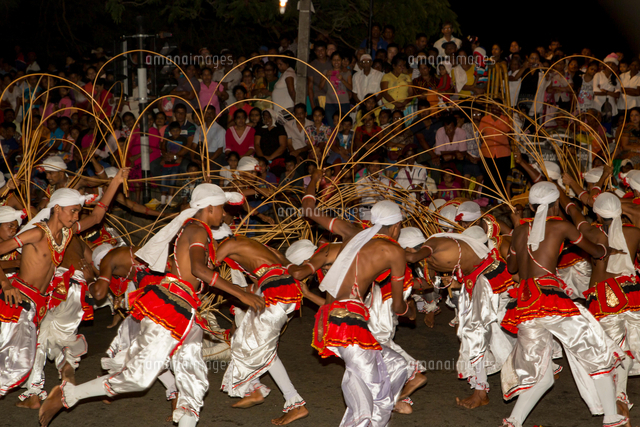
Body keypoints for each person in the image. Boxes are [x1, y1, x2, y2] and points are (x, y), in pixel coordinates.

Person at [39, 184, 265, 427]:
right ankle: (67, 395)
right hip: (172, 308)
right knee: (138, 379)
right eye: (221, 209)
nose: (224, 214)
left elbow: (197, 272)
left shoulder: (198, 230)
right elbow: (198, 270)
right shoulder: (197, 229)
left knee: (194, 383)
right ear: (210, 208)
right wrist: (239, 293)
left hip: (186, 310)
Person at [500, 181, 627, 427]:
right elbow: (597, 252)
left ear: (530, 205)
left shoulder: (518, 231)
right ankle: (612, 417)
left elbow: (512, 268)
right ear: (556, 203)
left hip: (525, 304)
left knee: (543, 375)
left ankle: (512, 422)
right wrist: (608, 248)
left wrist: (517, 234)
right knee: (596, 350)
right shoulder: (560, 226)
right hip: (550, 300)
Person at [298, 170, 414, 426]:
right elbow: (397, 305)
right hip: (349, 322)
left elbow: (308, 209)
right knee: (378, 397)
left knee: (396, 363)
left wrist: (316, 180)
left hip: (333, 318)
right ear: (396, 226)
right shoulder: (394, 251)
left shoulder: (351, 232)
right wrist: (409, 310)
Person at [0, 170, 126, 402]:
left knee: (17, 363)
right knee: (16, 367)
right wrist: (6, 285)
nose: (77, 216)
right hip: (16, 302)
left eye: (78, 211)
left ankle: (35, 392)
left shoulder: (66, 234)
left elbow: (97, 217)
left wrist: (116, 182)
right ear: (57, 208)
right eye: (73, 211)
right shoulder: (36, 234)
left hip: (36, 304)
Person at [215, 227, 307, 424]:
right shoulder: (258, 247)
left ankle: (294, 403)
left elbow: (206, 268)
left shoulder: (229, 243)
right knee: (246, 340)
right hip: (284, 291)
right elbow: (277, 268)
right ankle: (254, 388)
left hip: (275, 293)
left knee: (262, 348)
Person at [18, 233, 95, 409]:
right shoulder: (78, 240)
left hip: (59, 286)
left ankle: (34, 392)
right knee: (63, 338)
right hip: (79, 290)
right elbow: (96, 263)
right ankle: (68, 375)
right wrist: (90, 278)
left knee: (39, 338)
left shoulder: (48, 234)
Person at [320, 52, 352, 127]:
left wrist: (343, 79)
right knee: (332, 125)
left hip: (344, 103)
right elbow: (320, 87)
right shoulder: (326, 72)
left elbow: (351, 88)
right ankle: (334, 138)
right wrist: (326, 76)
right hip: (330, 103)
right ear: (331, 61)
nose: (336, 62)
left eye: (338, 60)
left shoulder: (347, 73)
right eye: (334, 60)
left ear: (342, 61)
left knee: (344, 125)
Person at [307, 41, 333, 110]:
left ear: (326, 50)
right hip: (319, 97)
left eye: (322, 50)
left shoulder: (332, 62)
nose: (320, 53)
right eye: (318, 51)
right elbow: (310, 87)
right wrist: (312, 105)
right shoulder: (312, 66)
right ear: (315, 52)